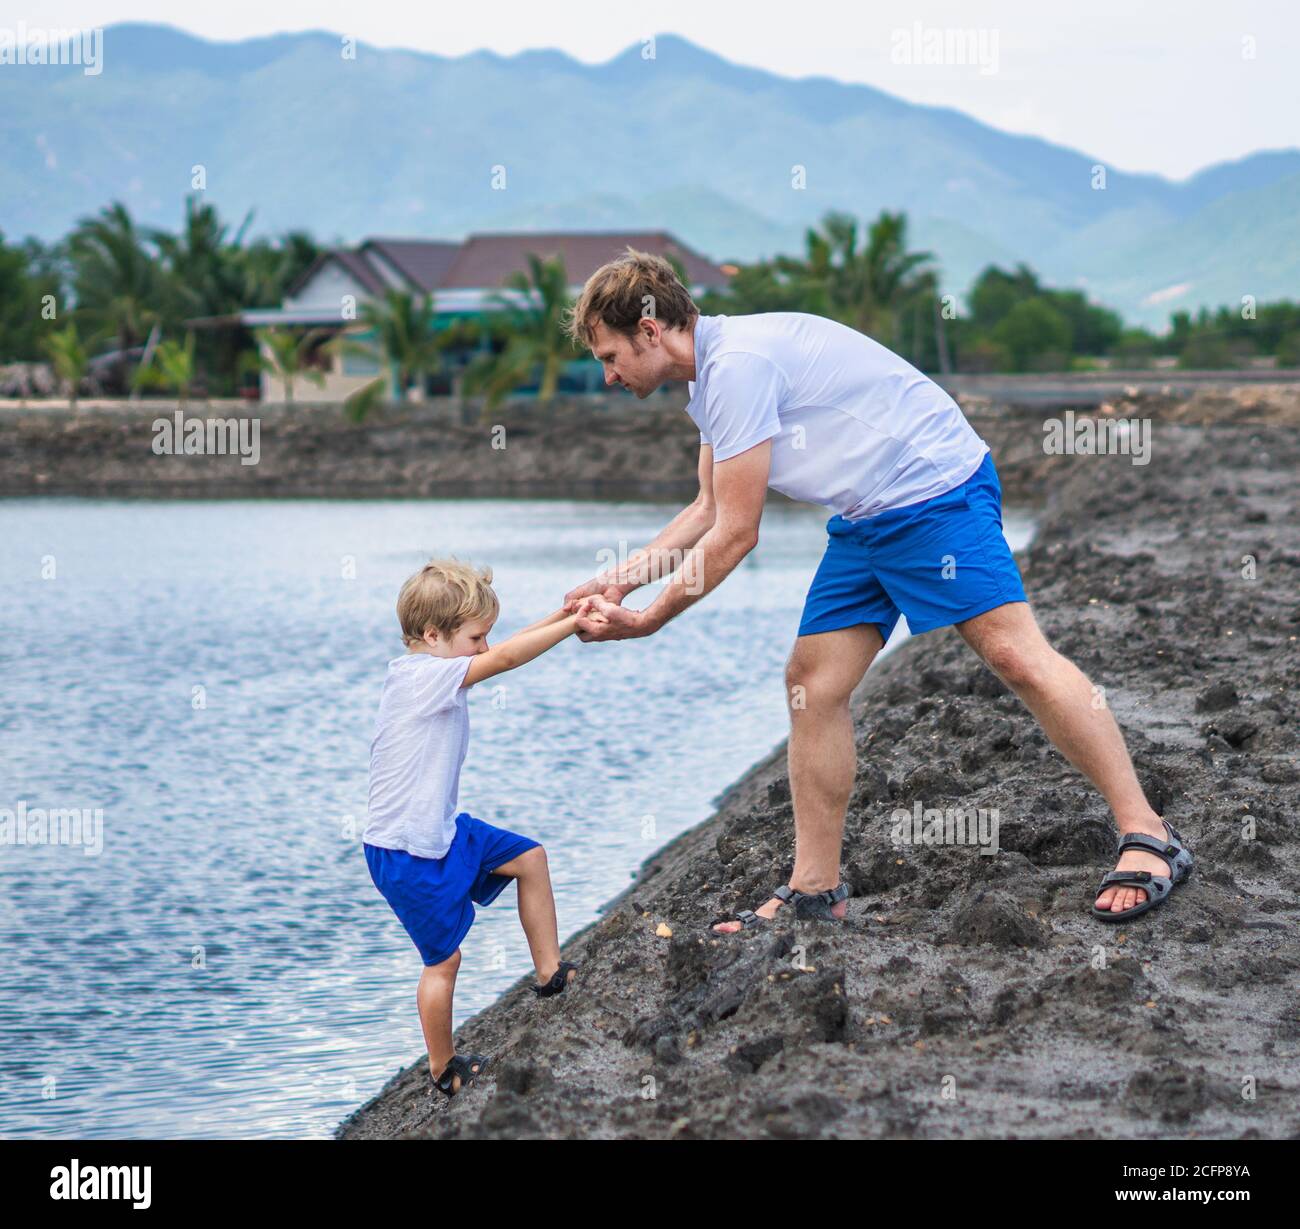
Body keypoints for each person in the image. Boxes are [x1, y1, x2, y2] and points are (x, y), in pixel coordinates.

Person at [559, 249, 1193, 929]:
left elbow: (737, 533)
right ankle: (813, 888)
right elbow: (704, 509)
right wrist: (614, 580)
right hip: (868, 512)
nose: (607, 374)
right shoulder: (712, 378)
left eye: (610, 355)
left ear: (651, 332)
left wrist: (649, 618)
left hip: (933, 488)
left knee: (1014, 656)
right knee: (813, 682)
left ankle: (1148, 834)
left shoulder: (737, 367)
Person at [362, 558, 604, 1096]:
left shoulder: (439, 664)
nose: (482, 645)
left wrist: (560, 613)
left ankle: (550, 974)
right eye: (475, 636)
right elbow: (509, 658)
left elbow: (504, 647)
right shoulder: (422, 677)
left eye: (484, 634)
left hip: (442, 831)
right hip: (405, 851)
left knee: (529, 857)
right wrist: (573, 627)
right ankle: (443, 1068)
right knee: (444, 960)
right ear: (431, 635)